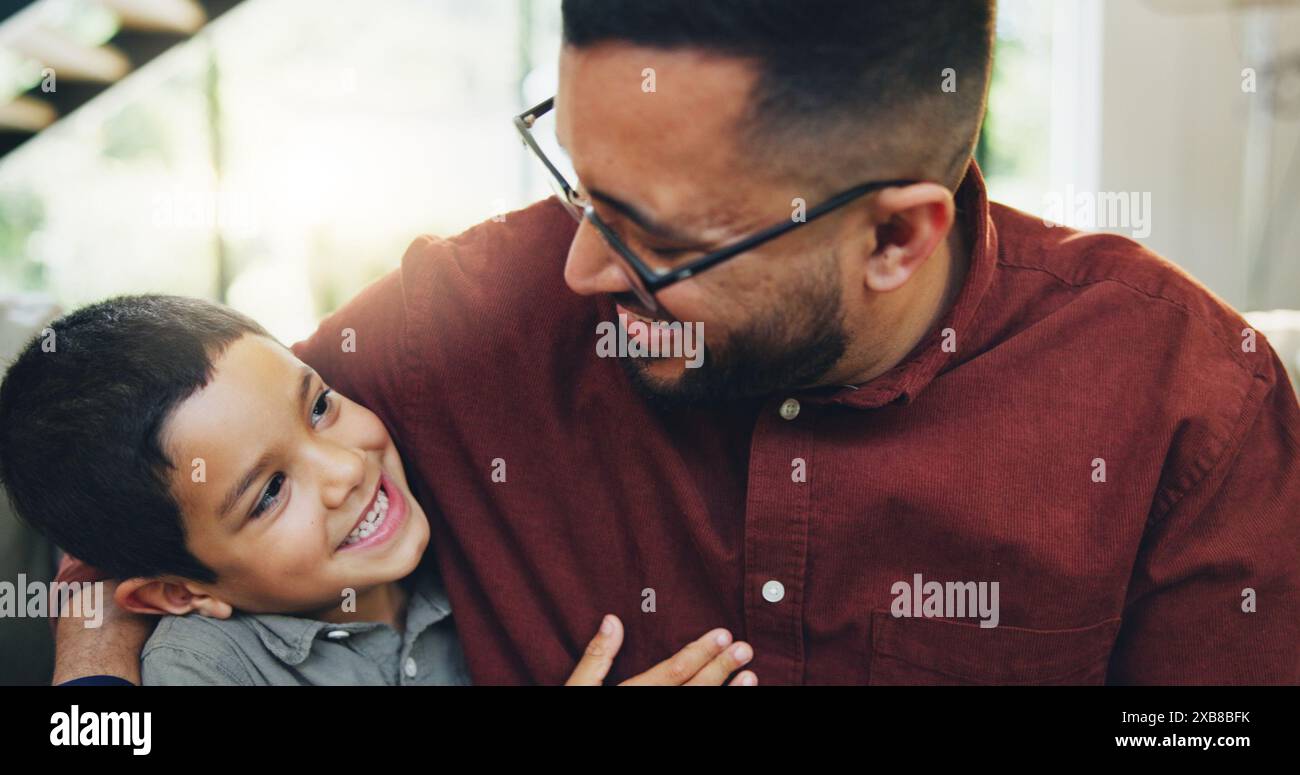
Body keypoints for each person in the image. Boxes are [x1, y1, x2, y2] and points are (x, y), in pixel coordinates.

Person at [51, 0, 1300, 685]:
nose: (579, 263)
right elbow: (139, 487)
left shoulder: (1180, 397)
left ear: (894, 240)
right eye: (575, 184)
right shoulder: (475, 312)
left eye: (652, 237)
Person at [0, 295, 756, 685]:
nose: (345, 470)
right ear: (177, 591)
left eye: (321, 404)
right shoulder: (206, 670)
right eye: (267, 494)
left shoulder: (453, 519)